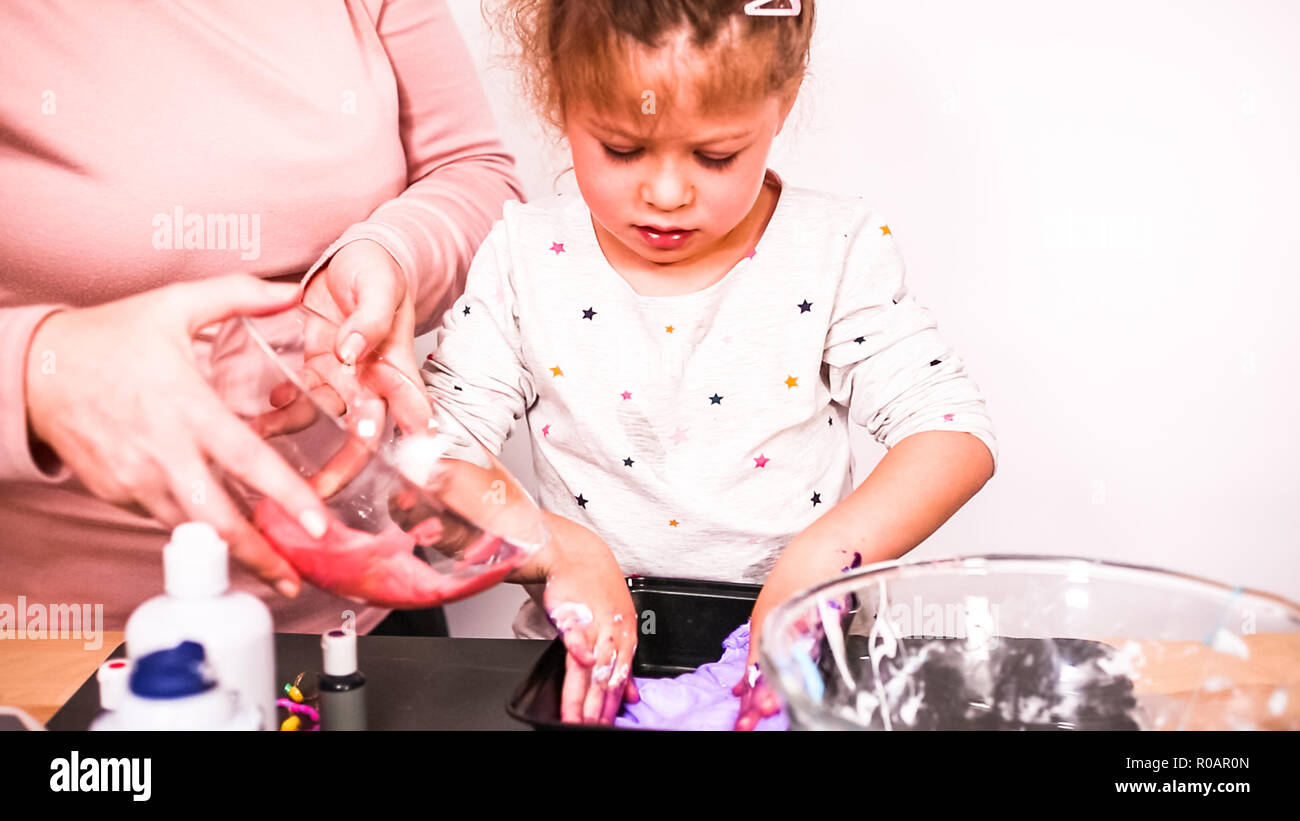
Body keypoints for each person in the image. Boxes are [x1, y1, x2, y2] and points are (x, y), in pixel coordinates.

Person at [420, 0, 999, 728]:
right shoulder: (524, 257)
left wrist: (828, 556)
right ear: (561, 99)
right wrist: (556, 548)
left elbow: (952, 435)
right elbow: (427, 466)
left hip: (797, 683)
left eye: (716, 156)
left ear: (783, 99)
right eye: (622, 149)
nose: (667, 194)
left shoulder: (834, 250)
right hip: (587, 680)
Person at [0, 0, 523, 635]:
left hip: (366, 603)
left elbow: (473, 173)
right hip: (46, 641)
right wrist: (36, 369)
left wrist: (393, 253)